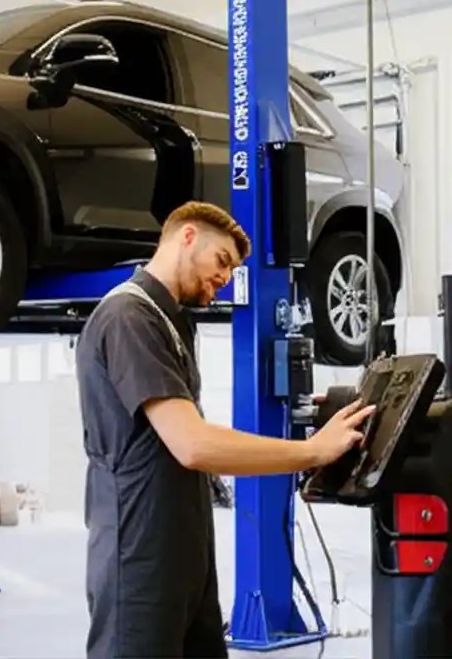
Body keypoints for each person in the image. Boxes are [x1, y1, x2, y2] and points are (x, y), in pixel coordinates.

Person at [75, 200, 376, 659]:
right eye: (222, 261)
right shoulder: (128, 318)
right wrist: (314, 452)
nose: (225, 277)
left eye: (233, 269)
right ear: (187, 237)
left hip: (182, 554)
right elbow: (192, 444)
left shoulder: (170, 321)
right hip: (137, 559)